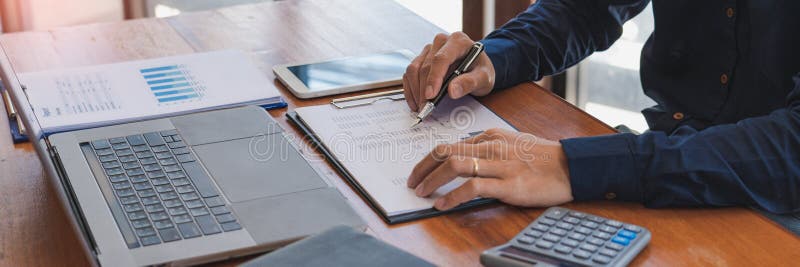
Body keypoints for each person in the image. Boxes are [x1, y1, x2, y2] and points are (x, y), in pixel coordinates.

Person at [403, 0, 800, 213]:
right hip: (660, 161)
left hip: (777, 208)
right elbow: (587, 9)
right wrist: (495, 58)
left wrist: (572, 165)